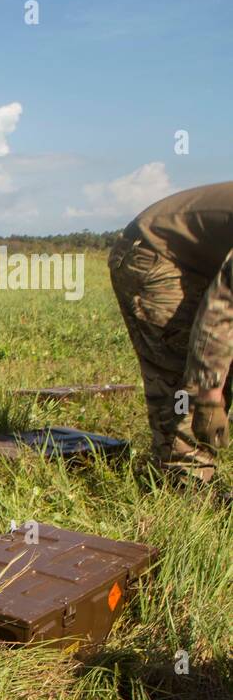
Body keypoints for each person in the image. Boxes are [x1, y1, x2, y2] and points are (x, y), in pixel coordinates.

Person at [109, 182, 233, 486]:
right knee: (182, 380)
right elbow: (222, 310)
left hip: (202, 261)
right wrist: (210, 394)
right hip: (156, 254)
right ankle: (186, 485)